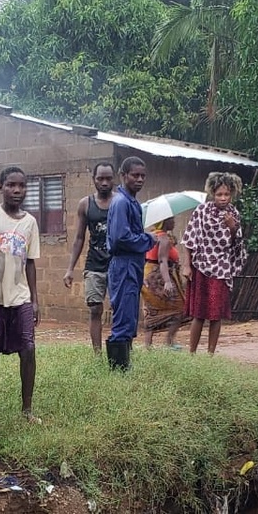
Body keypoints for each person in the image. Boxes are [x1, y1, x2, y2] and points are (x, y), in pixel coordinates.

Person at [0, 166, 42, 424]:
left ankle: (27, 411)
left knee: (28, 351)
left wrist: (35, 299)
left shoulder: (30, 222)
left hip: (20, 297)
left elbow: (30, 263)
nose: (17, 190)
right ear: (0, 186)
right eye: (11, 185)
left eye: (22, 186)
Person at [182, 172, 248, 355]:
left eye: (226, 194)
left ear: (232, 194)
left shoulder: (234, 214)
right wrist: (187, 265)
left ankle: (210, 355)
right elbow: (189, 239)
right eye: (219, 194)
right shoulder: (202, 211)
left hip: (222, 268)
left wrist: (232, 227)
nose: (223, 198)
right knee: (199, 313)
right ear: (212, 193)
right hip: (202, 267)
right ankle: (192, 353)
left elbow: (237, 245)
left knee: (216, 314)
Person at [105, 157, 155, 370]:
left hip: (132, 266)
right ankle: (118, 370)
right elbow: (120, 239)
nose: (140, 179)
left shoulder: (132, 202)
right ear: (123, 175)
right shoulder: (121, 203)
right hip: (123, 265)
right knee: (123, 317)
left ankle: (125, 365)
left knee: (129, 316)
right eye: (135, 175)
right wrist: (149, 239)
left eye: (143, 175)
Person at [64, 162, 115, 354]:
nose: (104, 182)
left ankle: (120, 349)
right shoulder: (85, 204)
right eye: (100, 178)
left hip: (116, 264)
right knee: (95, 308)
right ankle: (97, 353)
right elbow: (79, 238)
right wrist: (70, 269)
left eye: (108, 178)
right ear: (94, 179)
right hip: (94, 264)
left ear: (114, 179)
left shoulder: (120, 202)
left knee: (119, 309)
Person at [142, 217, 189, 349]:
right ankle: (169, 340)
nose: (174, 222)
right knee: (181, 308)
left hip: (148, 276)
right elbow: (162, 260)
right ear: (164, 222)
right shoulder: (163, 238)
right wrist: (167, 281)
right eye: (171, 220)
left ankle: (148, 345)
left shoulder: (152, 236)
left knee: (151, 309)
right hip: (159, 277)